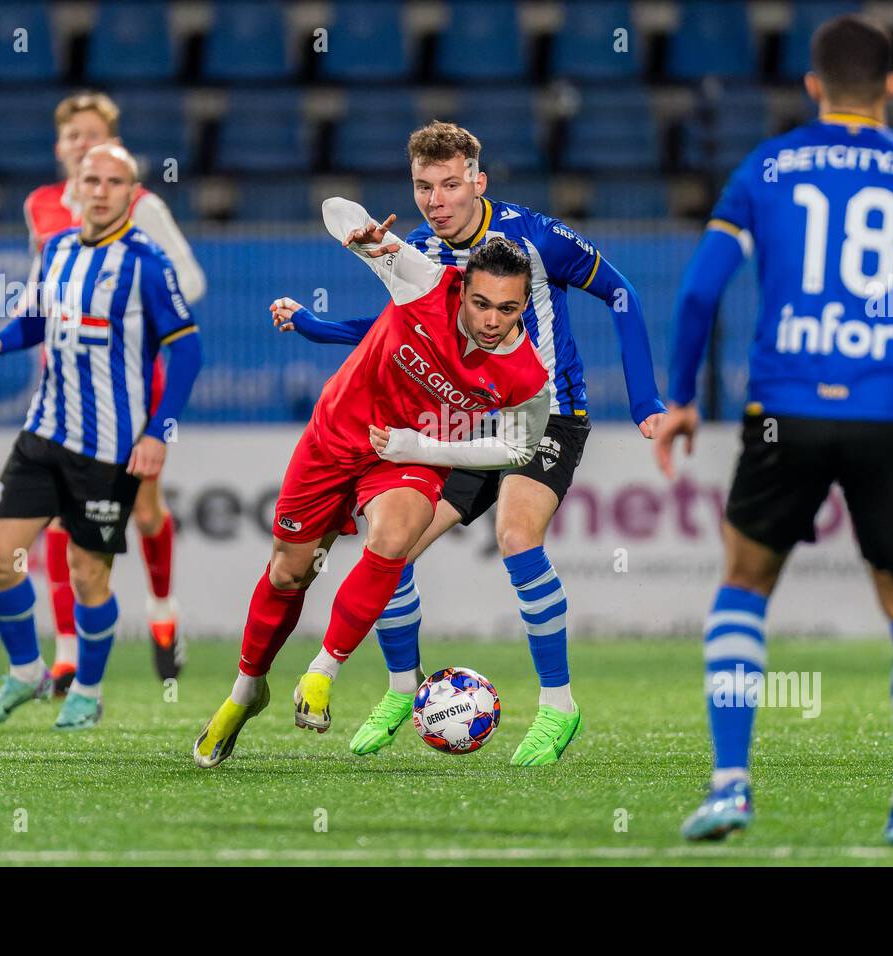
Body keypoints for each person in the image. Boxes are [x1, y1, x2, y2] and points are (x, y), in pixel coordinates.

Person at [654, 14, 893, 845]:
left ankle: (729, 789)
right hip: (892, 415)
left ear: (814, 86)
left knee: (744, 587)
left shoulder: (767, 166)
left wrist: (680, 398)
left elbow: (697, 296)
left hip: (785, 413)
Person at [271, 122, 666, 766]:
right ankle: (403, 690)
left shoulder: (533, 238)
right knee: (388, 545)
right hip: (464, 420)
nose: (436, 200)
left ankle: (558, 706)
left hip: (545, 417)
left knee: (516, 534)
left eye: (451, 184)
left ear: (477, 182)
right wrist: (313, 325)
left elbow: (622, 292)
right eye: (424, 187)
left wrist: (645, 397)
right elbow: (387, 331)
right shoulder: (423, 251)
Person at [192, 199, 551, 768]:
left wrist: (420, 448)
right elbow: (335, 208)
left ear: (522, 305)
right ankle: (246, 691)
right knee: (290, 572)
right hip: (336, 434)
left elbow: (517, 448)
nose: (489, 320)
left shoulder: (527, 379)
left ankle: (322, 670)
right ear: (463, 289)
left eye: (506, 309)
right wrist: (357, 233)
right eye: (480, 303)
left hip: (406, 454)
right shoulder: (425, 282)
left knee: (393, 538)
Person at [0, 144, 202, 731]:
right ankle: (26, 672)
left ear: (131, 194)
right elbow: (36, 318)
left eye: (113, 181)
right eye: (90, 179)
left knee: (87, 573)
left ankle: (89, 690)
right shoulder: (57, 250)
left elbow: (189, 351)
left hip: (110, 449)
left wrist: (158, 431)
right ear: (75, 187)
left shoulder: (147, 264)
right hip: (42, 432)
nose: (99, 190)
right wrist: (1, 340)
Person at [20, 91, 206, 686]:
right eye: (74, 137)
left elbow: (191, 281)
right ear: (60, 147)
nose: (83, 146)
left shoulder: (141, 205)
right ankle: (68, 652)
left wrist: (137, 311)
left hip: (127, 380)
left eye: (95, 136)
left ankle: (161, 611)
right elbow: (40, 286)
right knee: (55, 515)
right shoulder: (42, 206)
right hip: (63, 383)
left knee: (144, 509)